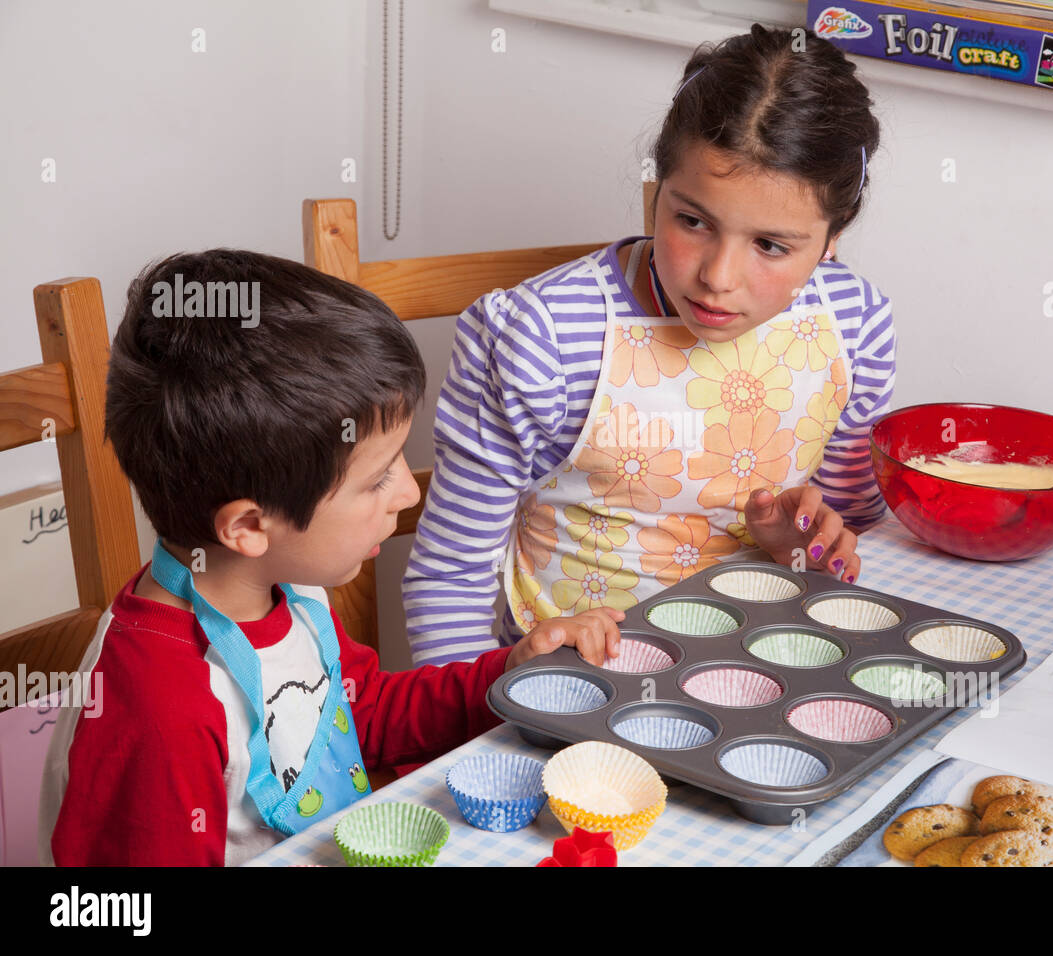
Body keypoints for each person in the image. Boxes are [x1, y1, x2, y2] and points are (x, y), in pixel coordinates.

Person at [38, 249, 621, 866]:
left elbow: (355, 718)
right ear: (249, 527)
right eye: (376, 480)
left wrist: (506, 673)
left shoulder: (285, 588)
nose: (409, 490)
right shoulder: (163, 708)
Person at [403, 24, 896, 666]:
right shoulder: (542, 339)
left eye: (771, 245)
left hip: (761, 664)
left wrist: (795, 543)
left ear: (833, 238)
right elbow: (449, 581)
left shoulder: (855, 326)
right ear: (653, 190)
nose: (718, 278)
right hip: (572, 688)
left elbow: (851, 528)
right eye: (692, 221)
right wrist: (470, 719)